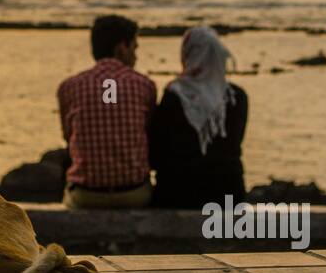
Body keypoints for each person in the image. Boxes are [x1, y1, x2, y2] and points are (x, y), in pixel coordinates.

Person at [56, 15, 156, 208]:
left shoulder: (68, 87)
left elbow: (69, 138)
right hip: (134, 193)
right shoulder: (145, 85)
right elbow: (147, 133)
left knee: (68, 198)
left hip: (86, 195)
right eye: (134, 48)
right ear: (121, 48)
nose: (136, 55)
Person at [148, 26, 249, 208]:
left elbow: (156, 154)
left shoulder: (175, 96)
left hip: (177, 195)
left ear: (187, 55)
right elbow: (232, 147)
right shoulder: (237, 97)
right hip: (228, 196)